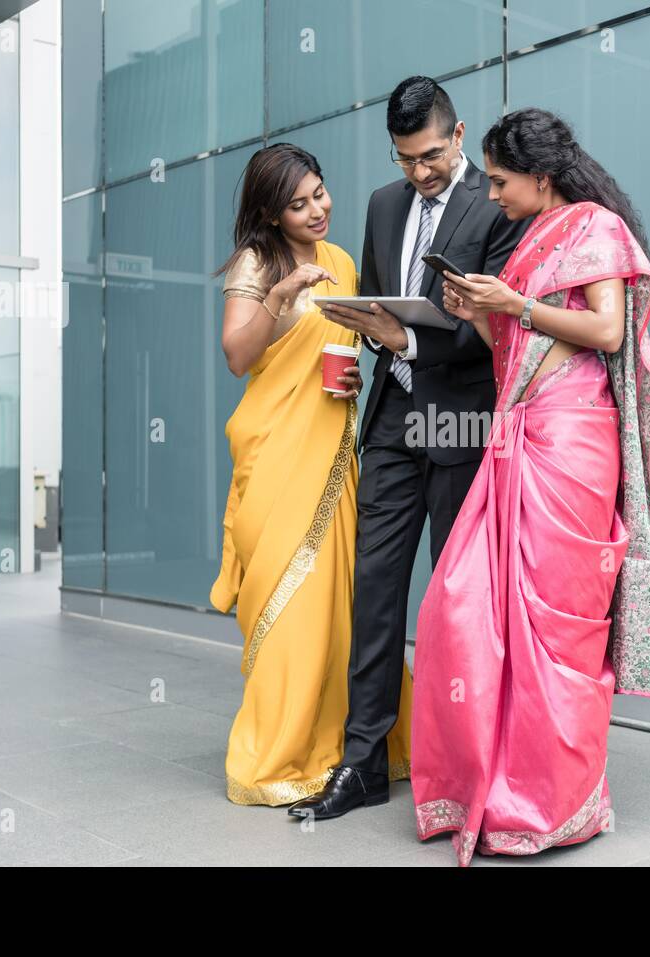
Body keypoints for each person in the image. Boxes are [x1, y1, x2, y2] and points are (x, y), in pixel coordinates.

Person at [410, 108, 650, 865]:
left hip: (572, 441)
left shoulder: (596, 229)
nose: (493, 192)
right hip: (517, 432)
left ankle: (556, 802)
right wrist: (479, 313)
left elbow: (606, 331)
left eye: (501, 180)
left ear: (541, 177)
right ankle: (495, 783)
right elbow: (517, 342)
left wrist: (513, 305)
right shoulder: (532, 236)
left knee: (558, 624)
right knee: (467, 606)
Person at [290, 77, 527, 820]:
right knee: (377, 593)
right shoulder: (382, 206)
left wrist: (409, 336)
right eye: (404, 159)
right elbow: (377, 302)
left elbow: (499, 328)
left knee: (459, 603)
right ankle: (363, 762)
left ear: (458, 136)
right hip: (392, 422)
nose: (419, 172)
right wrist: (367, 328)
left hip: (459, 422)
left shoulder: (495, 203)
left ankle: (469, 763)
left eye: (429, 155)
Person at [208, 143, 411, 806]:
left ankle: (344, 748)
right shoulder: (256, 262)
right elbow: (240, 355)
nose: (318, 210)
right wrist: (280, 294)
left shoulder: (344, 262)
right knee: (286, 603)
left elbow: (342, 347)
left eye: (320, 193)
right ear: (271, 213)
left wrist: (350, 375)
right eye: (298, 204)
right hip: (275, 454)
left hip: (329, 452)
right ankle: (281, 752)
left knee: (336, 608)